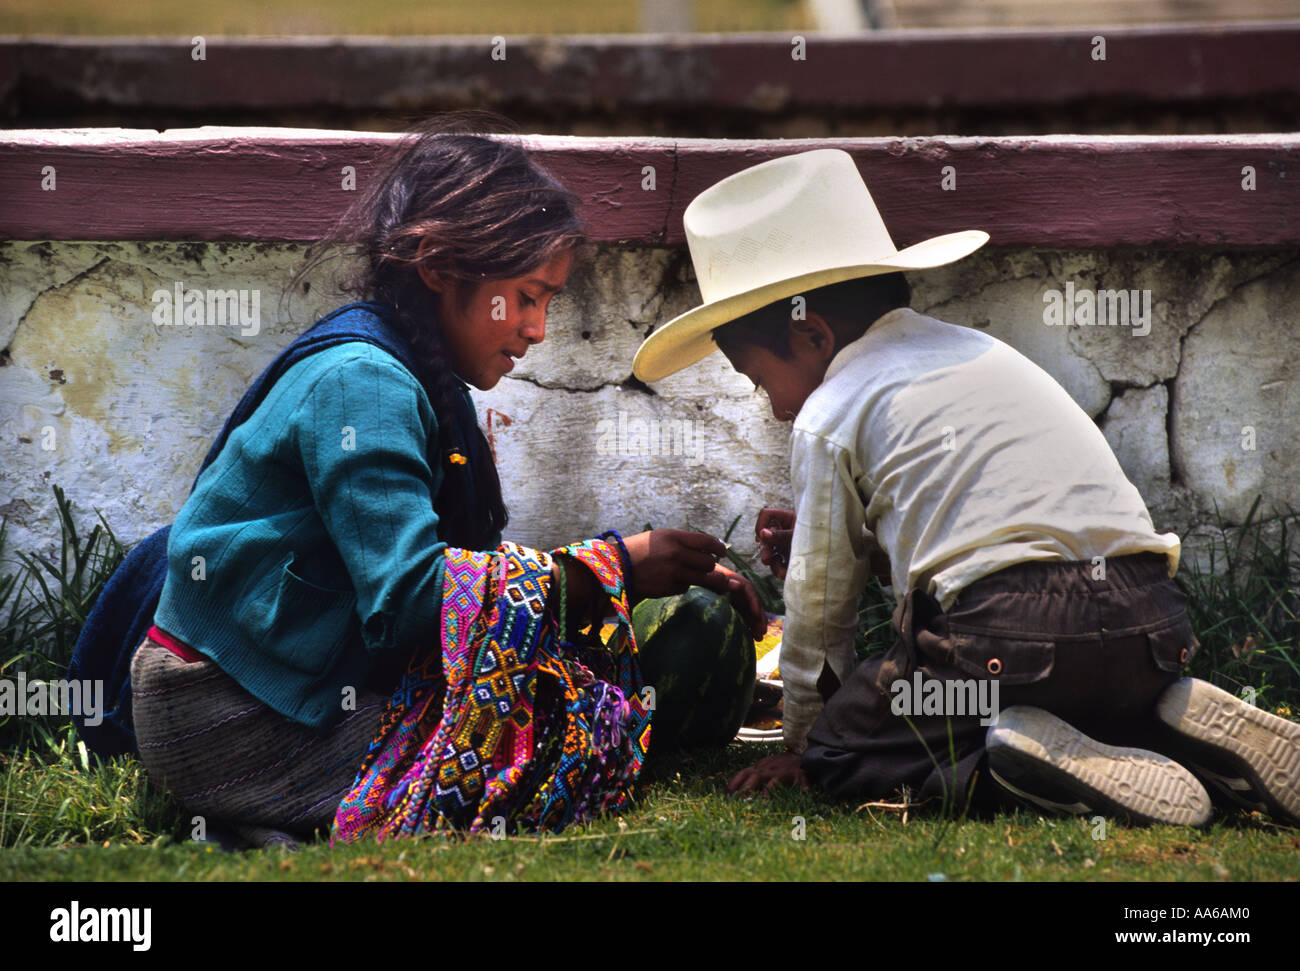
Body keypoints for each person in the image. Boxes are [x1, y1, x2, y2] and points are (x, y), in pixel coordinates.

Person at [129, 121, 763, 848]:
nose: (538, 329)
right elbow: (410, 601)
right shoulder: (364, 386)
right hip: (229, 720)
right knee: (572, 739)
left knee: (565, 701)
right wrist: (608, 570)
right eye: (527, 296)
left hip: (280, 697)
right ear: (437, 266)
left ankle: (294, 812)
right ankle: (276, 808)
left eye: (548, 301)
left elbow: (467, 588)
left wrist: (616, 579)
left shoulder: (425, 382)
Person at [631, 148, 1300, 827]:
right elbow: (972, 515)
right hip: (1152, 625)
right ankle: (1156, 724)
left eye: (756, 379)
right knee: (1059, 672)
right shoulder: (979, 352)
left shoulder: (829, 416)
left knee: (846, 747)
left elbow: (819, 609)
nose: (773, 408)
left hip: (1011, 637)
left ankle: (1002, 762)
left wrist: (807, 741)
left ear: (810, 333)